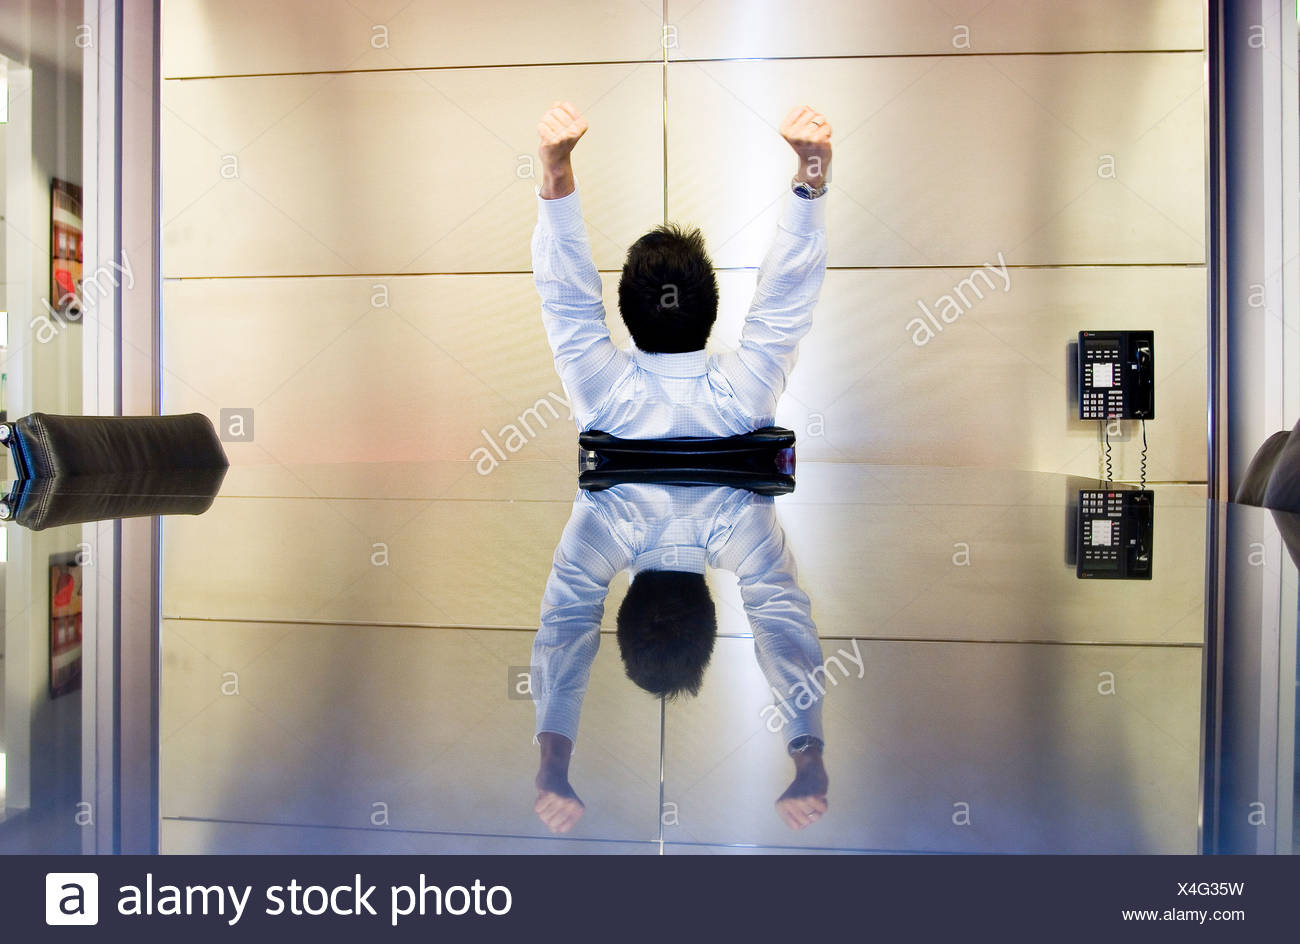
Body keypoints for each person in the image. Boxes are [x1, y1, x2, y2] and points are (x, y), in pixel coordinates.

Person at [530, 481, 829, 835]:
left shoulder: (747, 525)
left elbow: (783, 625)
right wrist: (552, 760)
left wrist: (808, 757)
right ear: (623, 612)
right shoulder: (598, 525)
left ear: (711, 616)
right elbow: (564, 624)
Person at [532, 101, 831, 437]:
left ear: (625, 310)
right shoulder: (746, 393)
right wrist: (812, 172)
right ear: (712, 305)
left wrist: (556, 171)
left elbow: (567, 300)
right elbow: (785, 298)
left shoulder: (602, 390)